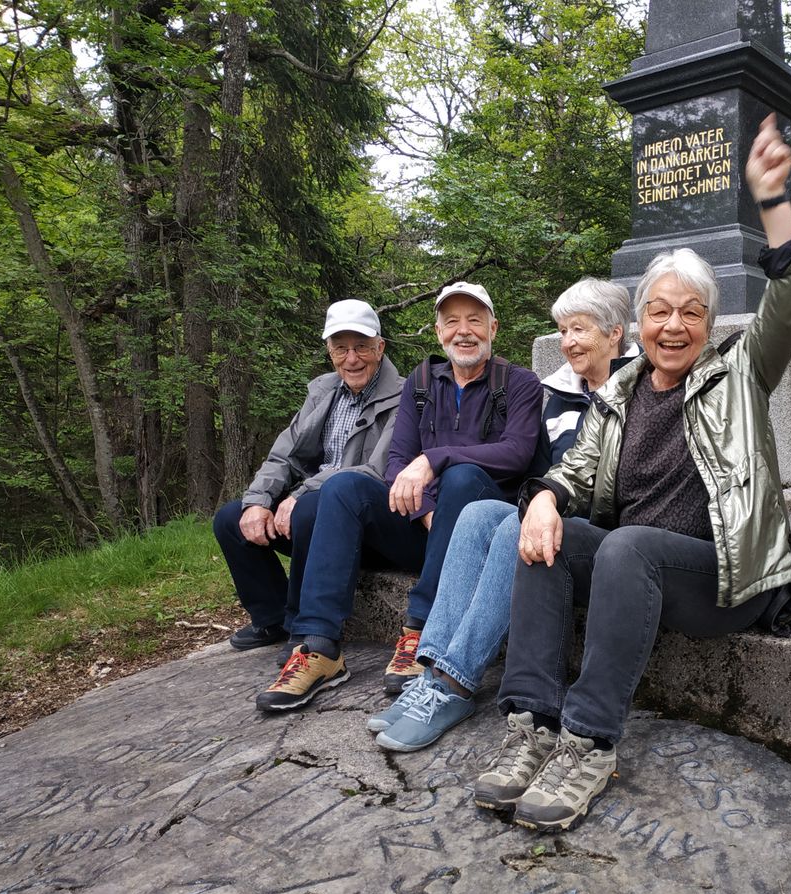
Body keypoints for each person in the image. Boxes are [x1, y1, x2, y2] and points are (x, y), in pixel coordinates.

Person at [471, 113, 791, 832]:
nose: (672, 326)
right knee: (548, 533)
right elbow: (574, 469)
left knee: (630, 544)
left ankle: (590, 742)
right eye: (659, 310)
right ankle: (530, 726)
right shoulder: (619, 395)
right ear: (638, 324)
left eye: (690, 313)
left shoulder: (739, 375)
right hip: (638, 573)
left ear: (711, 323)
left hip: (725, 579)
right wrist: (542, 499)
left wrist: (772, 201)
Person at [364, 278, 637, 751]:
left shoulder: (640, 390)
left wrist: (542, 506)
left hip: (608, 532)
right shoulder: (560, 397)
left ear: (615, 334)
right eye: (563, 331)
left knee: (516, 520)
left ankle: (455, 683)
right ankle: (430, 672)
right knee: (475, 515)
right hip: (558, 516)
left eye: (580, 329)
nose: (568, 342)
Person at [253, 282, 543, 712]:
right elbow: (396, 461)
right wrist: (427, 506)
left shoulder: (519, 383)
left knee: (462, 477)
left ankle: (421, 630)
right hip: (422, 526)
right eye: (452, 322)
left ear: (493, 328)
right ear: (438, 331)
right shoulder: (423, 383)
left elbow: (517, 453)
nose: (463, 331)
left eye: (475, 320)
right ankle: (317, 645)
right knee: (343, 486)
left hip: (483, 530)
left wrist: (435, 459)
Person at [213, 299, 403, 656]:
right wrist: (258, 502)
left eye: (362, 346)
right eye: (340, 348)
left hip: (363, 517)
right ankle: (271, 618)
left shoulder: (404, 396)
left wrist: (301, 493)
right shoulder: (322, 391)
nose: (352, 358)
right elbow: (283, 454)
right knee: (230, 519)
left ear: (380, 347)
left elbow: (378, 471)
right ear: (329, 350)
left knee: (311, 508)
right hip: (312, 502)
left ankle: (305, 625)